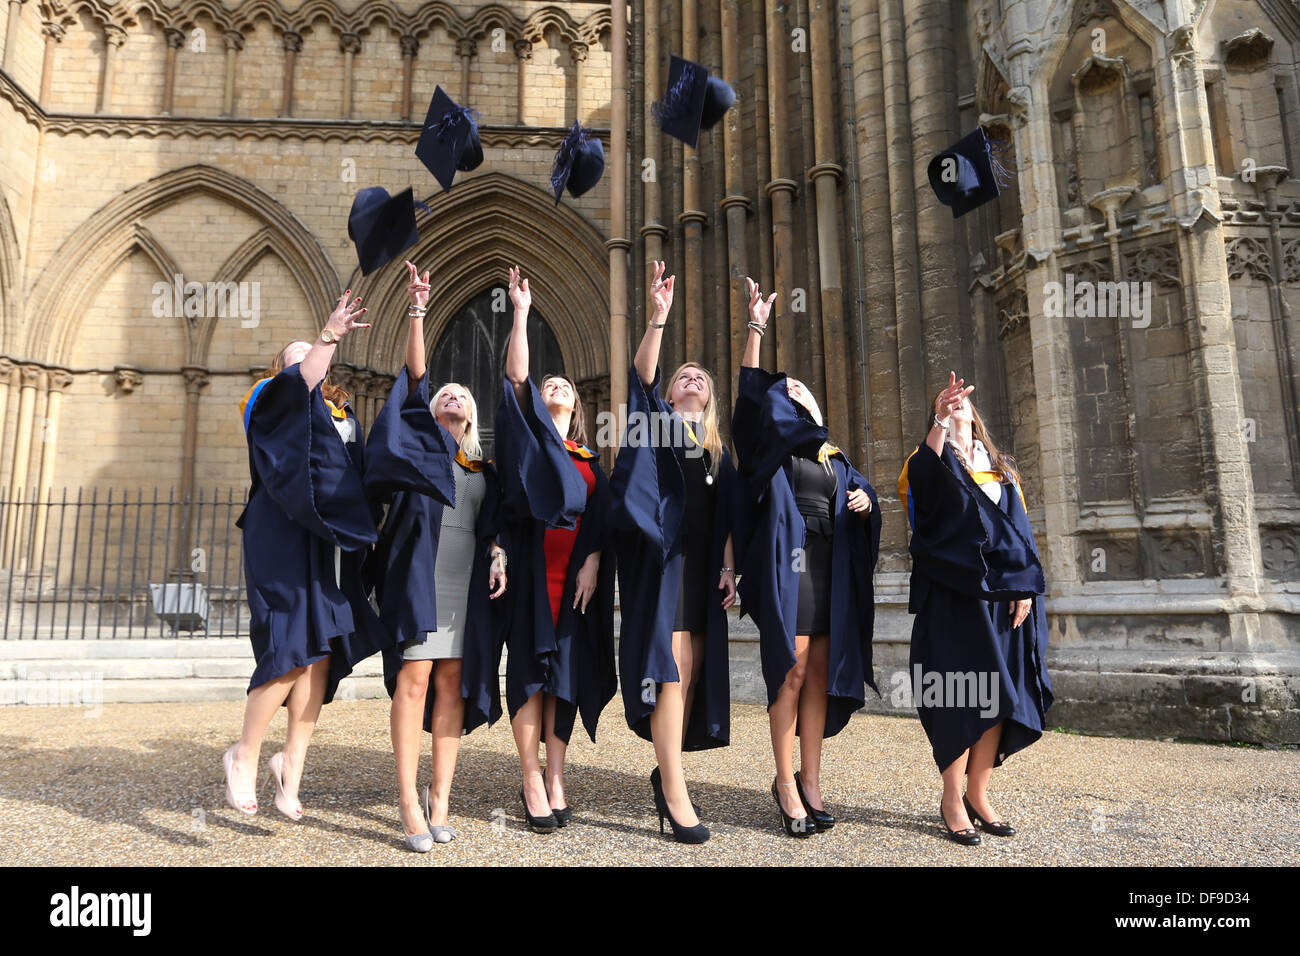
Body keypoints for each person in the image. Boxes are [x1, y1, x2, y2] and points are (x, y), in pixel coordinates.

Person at [224, 290, 385, 821]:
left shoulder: (340, 413)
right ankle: (244, 754)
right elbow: (296, 394)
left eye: (311, 354)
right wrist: (326, 336)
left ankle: (291, 768)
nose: (306, 358)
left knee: (320, 651)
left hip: (326, 542)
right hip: (281, 533)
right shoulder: (268, 397)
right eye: (296, 354)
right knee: (291, 643)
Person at [364, 261, 507, 852]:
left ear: (471, 416)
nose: (449, 396)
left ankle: (441, 798)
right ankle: (406, 802)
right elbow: (416, 381)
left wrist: (497, 553)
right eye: (444, 394)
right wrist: (418, 309)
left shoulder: (481, 468)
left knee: (452, 686)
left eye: (461, 395)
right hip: (420, 584)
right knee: (415, 682)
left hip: (463, 590)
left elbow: (493, 524)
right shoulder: (417, 450)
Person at [732, 277, 882, 838]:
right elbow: (749, 400)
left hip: (830, 568)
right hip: (787, 566)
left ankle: (812, 779)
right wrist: (756, 328)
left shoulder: (833, 454)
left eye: (797, 389)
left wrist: (866, 502)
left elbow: (862, 497)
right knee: (790, 669)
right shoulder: (769, 451)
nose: (788, 391)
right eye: (782, 390)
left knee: (819, 672)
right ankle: (784, 782)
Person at [610, 261, 738, 844]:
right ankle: (676, 790)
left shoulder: (717, 452)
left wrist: (732, 567)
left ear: (710, 399)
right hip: (664, 566)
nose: (692, 380)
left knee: (690, 673)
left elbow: (729, 515)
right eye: (683, 376)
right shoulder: (656, 424)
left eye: (701, 378)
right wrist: (658, 319)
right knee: (667, 672)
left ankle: (668, 777)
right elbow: (638, 381)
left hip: (704, 570)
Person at [898, 371, 1053, 844]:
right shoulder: (927, 463)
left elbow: (1020, 533)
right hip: (954, 597)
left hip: (1007, 600)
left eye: (963, 401)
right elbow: (922, 492)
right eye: (946, 403)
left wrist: (1026, 588)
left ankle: (979, 793)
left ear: (976, 412)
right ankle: (951, 798)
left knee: (1003, 696)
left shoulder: (1001, 467)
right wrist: (941, 424)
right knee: (963, 695)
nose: (957, 405)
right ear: (937, 414)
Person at [495, 265, 616, 832]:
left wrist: (593, 558)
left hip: (575, 579)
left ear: (579, 405)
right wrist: (521, 312)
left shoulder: (591, 462)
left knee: (564, 676)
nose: (557, 388)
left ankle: (557, 775)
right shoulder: (528, 441)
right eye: (549, 388)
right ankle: (528, 776)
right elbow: (517, 380)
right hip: (531, 572)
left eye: (565, 387)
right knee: (528, 673)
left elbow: (600, 518)